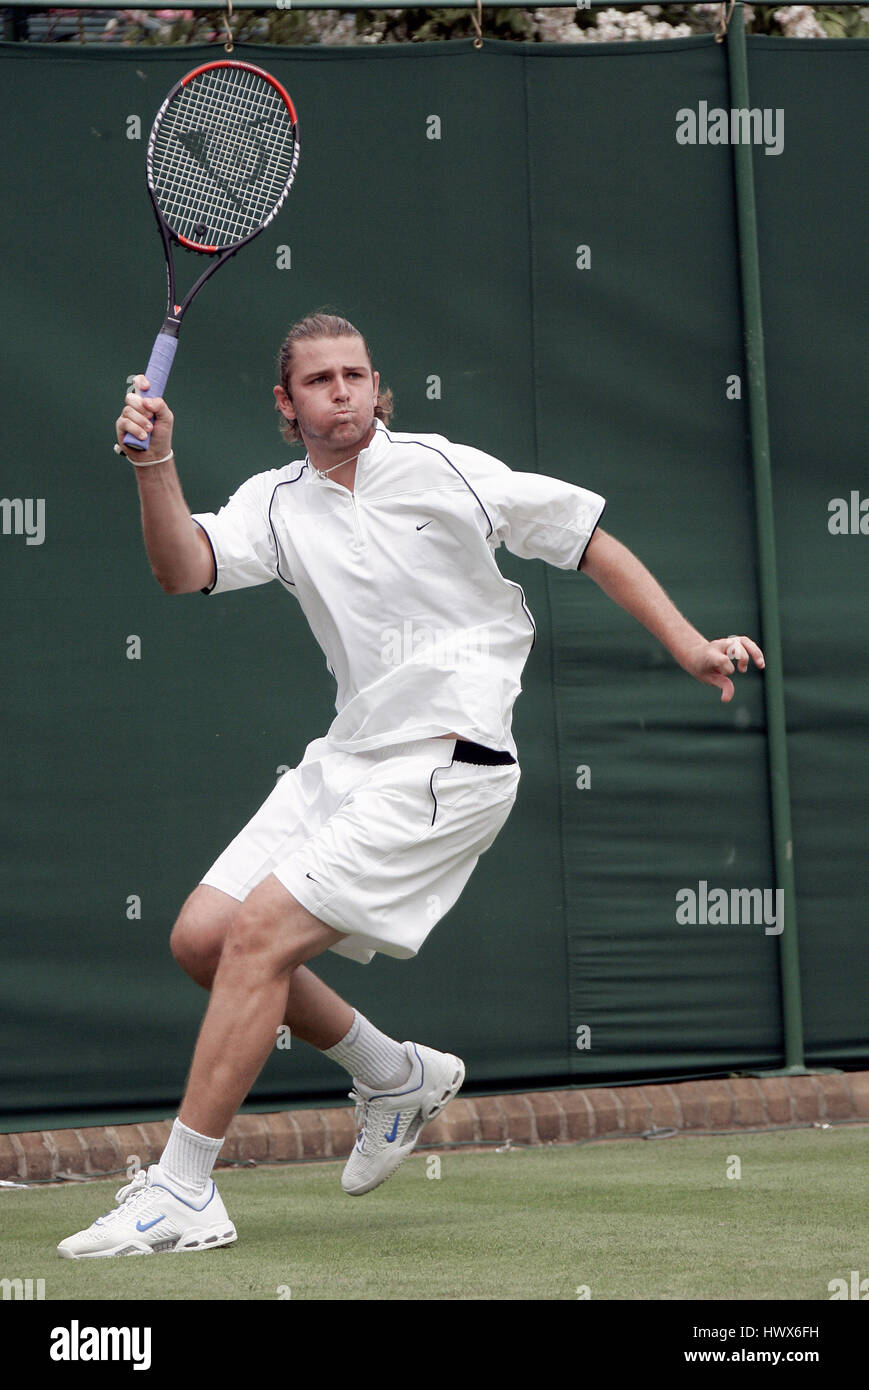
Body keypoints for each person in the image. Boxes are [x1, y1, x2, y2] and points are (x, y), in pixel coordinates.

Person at [58, 313, 764, 1258]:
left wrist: (688, 644)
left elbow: (585, 536)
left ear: (376, 386)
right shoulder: (275, 502)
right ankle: (392, 1075)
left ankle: (184, 1190)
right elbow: (181, 568)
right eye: (319, 380)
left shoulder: (445, 467)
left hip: (450, 757)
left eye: (355, 375)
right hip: (348, 757)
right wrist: (155, 464)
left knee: (260, 935)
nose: (341, 392)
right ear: (286, 402)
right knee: (203, 938)